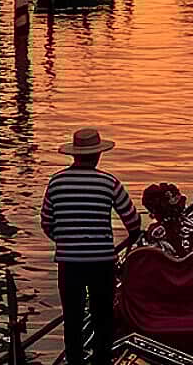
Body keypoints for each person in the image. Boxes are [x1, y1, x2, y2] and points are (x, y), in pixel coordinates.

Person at [42, 128, 141, 365]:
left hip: (69, 263)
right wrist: (118, 245)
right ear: (97, 155)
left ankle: (74, 361)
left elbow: (47, 222)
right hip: (102, 262)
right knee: (102, 318)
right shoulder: (109, 182)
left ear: (74, 154)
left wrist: (67, 241)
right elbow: (134, 222)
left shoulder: (56, 183)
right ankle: (101, 361)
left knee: (73, 318)